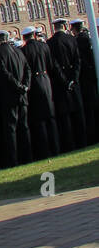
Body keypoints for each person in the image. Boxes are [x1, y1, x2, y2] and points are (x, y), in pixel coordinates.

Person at [0, 30, 29, 169]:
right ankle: (27, 155)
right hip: (22, 94)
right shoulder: (18, 51)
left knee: (11, 129)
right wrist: (25, 86)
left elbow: (3, 72)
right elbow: (27, 69)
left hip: (10, 95)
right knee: (24, 127)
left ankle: (14, 160)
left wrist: (17, 86)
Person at [47, 18, 84, 153]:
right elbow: (77, 60)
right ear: (64, 26)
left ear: (55, 27)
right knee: (78, 114)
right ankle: (82, 141)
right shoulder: (72, 39)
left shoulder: (50, 42)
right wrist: (73, 78)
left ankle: (69, 145)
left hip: (60, 85)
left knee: (65, 117)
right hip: (74, 82)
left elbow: (54, 65)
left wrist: (63, 80)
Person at [21, 27, 58, 160]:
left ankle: (44, 150)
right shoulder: (44, 46)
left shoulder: (23, 51)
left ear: (24, 37)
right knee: (50, 115)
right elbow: (51, 65)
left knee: (39, 117)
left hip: (34, 83)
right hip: (45, 79)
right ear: (35, 35)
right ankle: (56, 146)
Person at [71, 19, 98, 146]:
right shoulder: (88, 38)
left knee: (90, 108)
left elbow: (80, 59)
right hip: (93, 75)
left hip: (86, 78)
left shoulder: (79, 40)